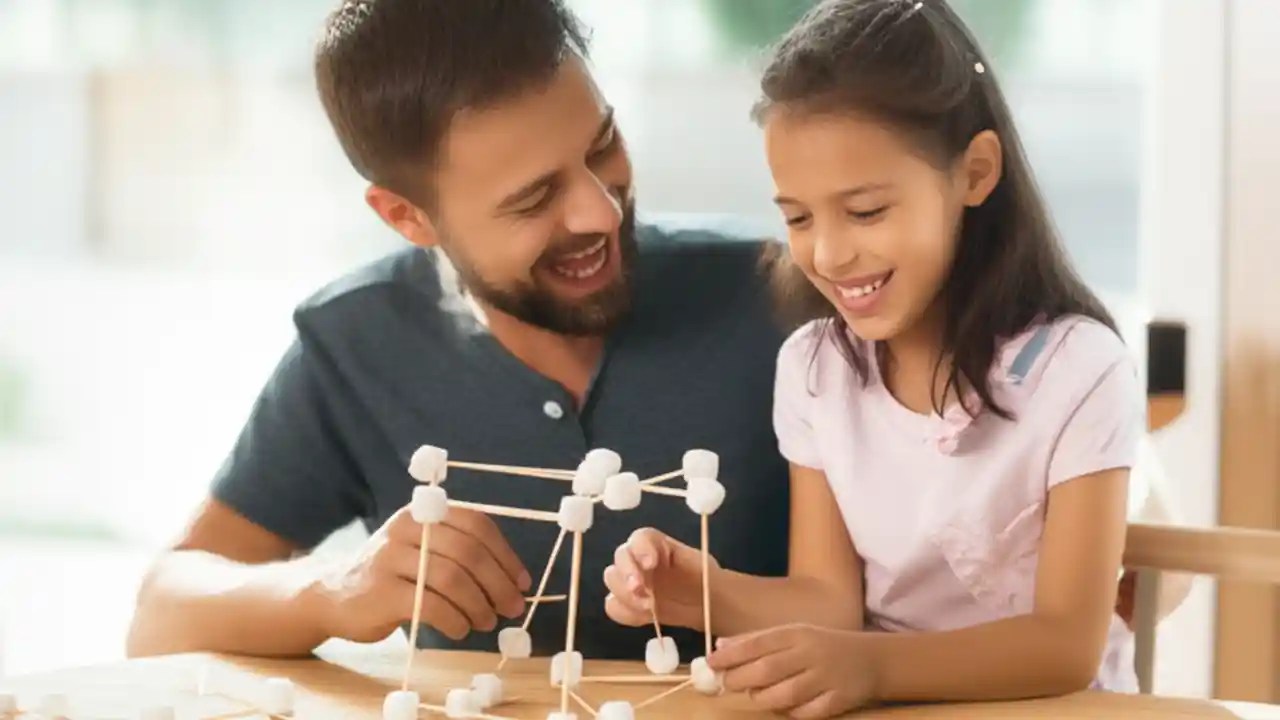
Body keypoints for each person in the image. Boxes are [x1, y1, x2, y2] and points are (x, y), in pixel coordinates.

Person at [124, 0, 791, 663]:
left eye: (602, 145)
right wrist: (334, 589)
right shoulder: (356, 346)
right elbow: (162, 613)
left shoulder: (782, 295)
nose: (600, 210)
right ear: (407, 217)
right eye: (533, 199)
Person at [604, 0, 1147, 715]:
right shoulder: (815, 369)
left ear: (976, 174)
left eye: (865, 212)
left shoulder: (1078, 369)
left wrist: (874, 667)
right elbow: (829, 601)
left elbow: (1066, 647)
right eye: (797, 216)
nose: (828, 253)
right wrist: (700, 592)